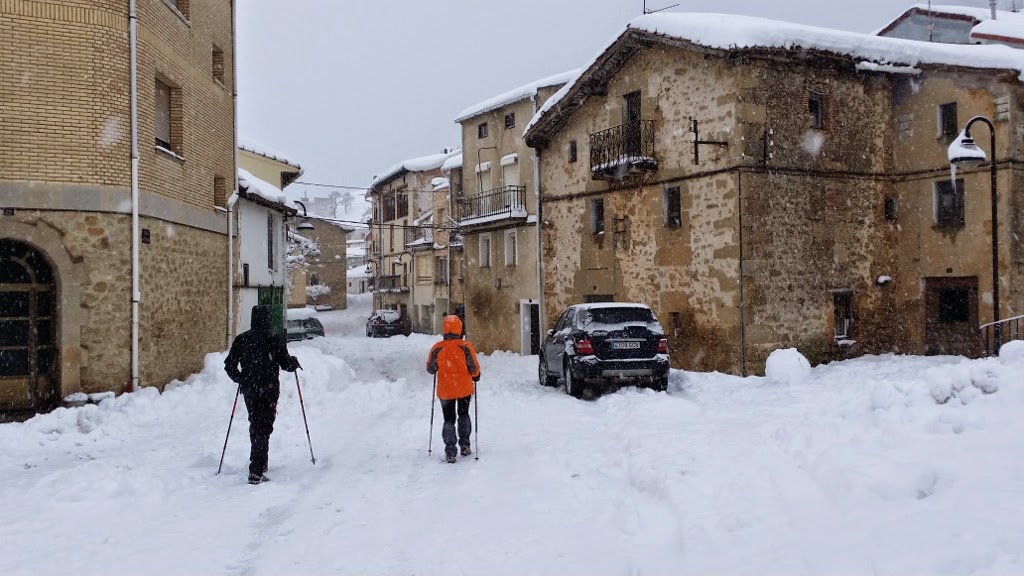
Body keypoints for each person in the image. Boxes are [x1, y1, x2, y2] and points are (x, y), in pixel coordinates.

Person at [224, 305, 301, 485]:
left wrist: (241, 378)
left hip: (250, 390)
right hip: (269, 389)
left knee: (256, 423)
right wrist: (294, 363)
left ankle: (260, 461)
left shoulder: (242, 339)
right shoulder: (273, 339)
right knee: (263, 427)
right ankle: (256, 470)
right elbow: (286, 365)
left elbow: (229, 365)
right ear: (267, 318)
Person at [426, 314, 480, 463]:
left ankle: (450, 451)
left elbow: (430, 368)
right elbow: (474, 367)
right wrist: (476, 375)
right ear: (459, 328)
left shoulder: (437, 348)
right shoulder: (465, 347)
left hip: (446, 390)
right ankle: (464, 444)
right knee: (463, 414)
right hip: (464, 389)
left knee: (448, 420)